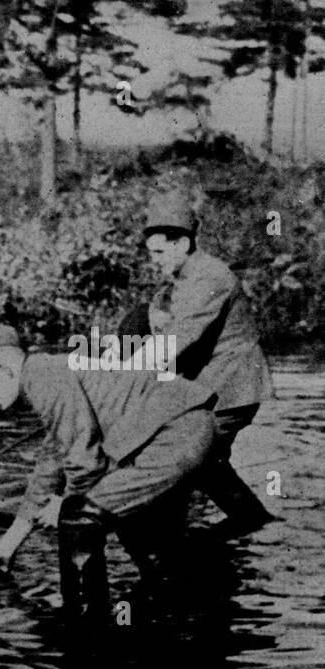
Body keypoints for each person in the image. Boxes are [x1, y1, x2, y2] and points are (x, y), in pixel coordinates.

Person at [0, 324, 217, 621]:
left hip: (174, 434)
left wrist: (66, 501)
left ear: (4, 368)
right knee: (132, 530)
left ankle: (85, 630)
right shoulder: (45, 371)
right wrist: (9, 543)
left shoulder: (40, 375)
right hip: (181, 429)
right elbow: (52, 461)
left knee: (78, 517)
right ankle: (186, 614)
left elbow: (84, 462)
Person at [129, 191, 276, 536]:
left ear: (183, 242)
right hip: (212, 387)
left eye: (160, 252)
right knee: (204, 463)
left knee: (183, 454)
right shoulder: (186, 278)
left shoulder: (209, 277)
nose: (156, 261)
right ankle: (250, 524)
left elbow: (174, 342)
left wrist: (116, 377)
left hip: (230, 391)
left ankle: (172, 541)